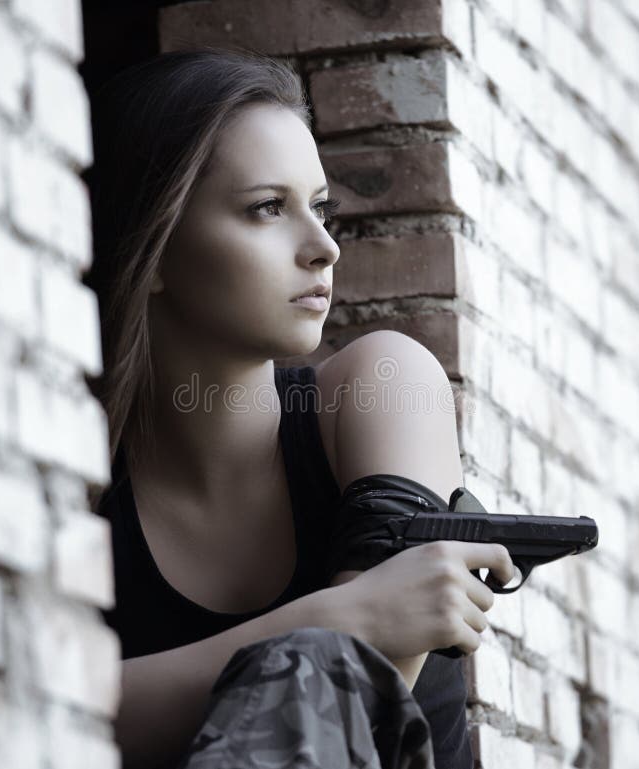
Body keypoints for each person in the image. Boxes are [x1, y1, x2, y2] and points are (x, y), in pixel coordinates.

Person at [83, 47, 516, 769]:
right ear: (154, 249)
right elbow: (19, 700)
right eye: (266, 209)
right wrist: (347, 611)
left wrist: (119, 697)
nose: (322, 249)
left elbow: (350, 681)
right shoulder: (69, 475)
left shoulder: (379, 382)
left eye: (320, 209)